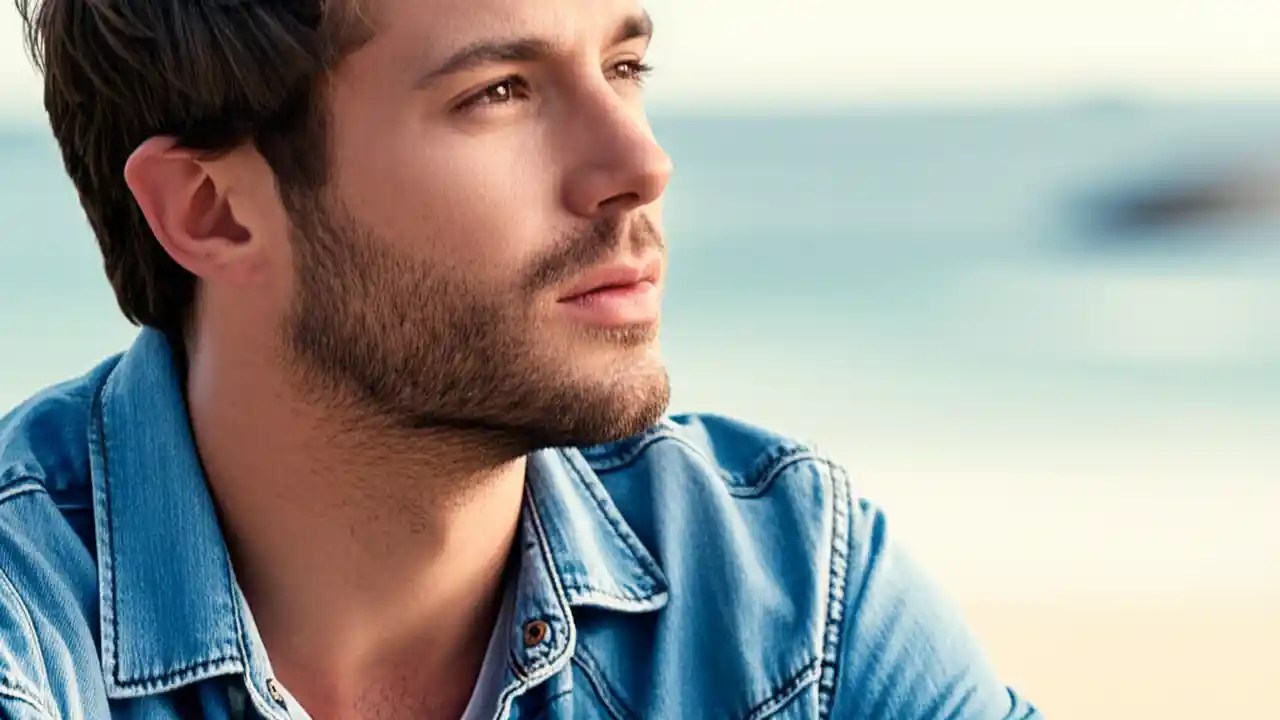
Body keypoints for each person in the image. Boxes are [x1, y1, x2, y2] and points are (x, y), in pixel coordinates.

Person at [0, 0, 1040, 718]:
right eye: (497, 92)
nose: (639, 164)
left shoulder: (779, 579)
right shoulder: (27, 622)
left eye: (624, 68)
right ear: (213, 211)